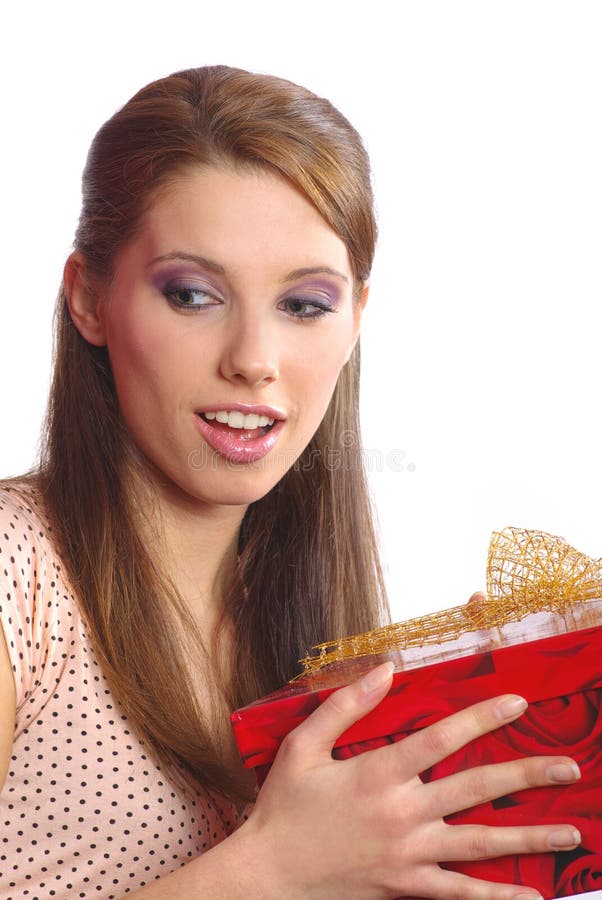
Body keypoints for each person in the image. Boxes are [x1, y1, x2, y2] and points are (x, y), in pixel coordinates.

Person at [0, 65, 581, 900]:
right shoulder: (17, 580)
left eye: (304, 305)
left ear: (357, 319)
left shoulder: (320, 622)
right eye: (193, 295)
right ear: (90, 299)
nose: (254, 361)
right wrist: (272, 870)